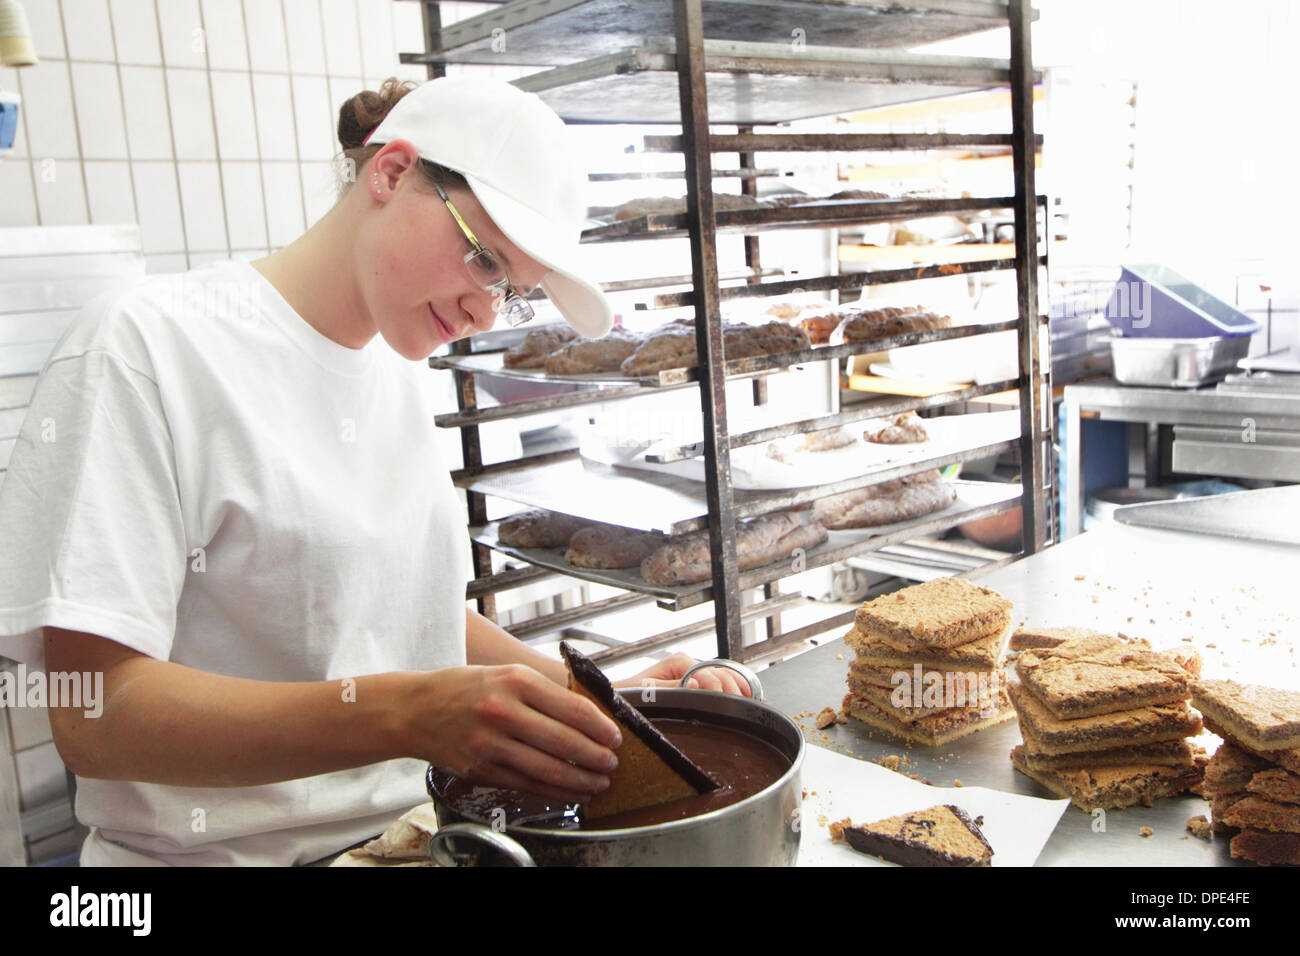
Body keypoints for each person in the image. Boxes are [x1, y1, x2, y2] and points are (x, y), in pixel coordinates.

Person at [0, 76, 748, 866]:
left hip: (411, 841)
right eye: (483, 259)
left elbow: (403, 618)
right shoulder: (148, 349)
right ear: (390, 172)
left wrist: (603, 710)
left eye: (512, 293)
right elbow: (96, 716)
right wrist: (407, 715)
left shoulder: (392, 366)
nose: (483, 313)